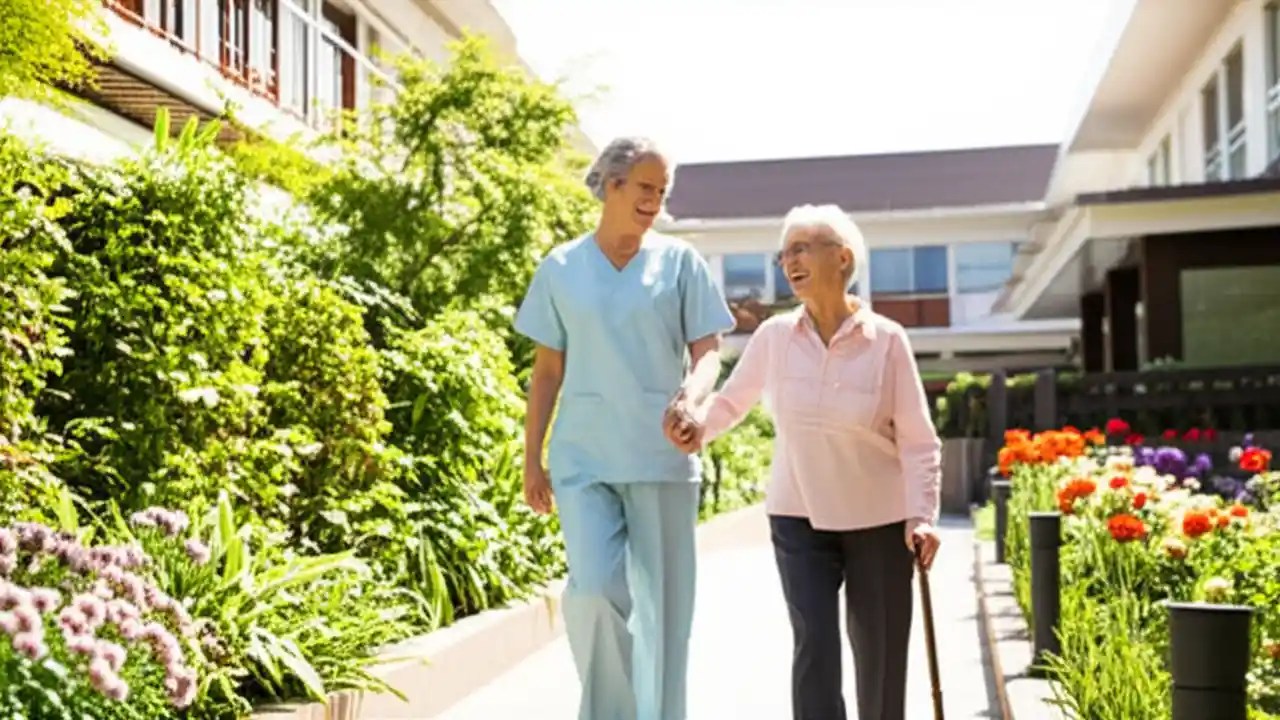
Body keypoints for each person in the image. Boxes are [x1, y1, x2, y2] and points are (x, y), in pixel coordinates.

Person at [682, 203, 942, 720]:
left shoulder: (887, 340)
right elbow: (733, 401)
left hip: (878, 517)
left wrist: (922, 516)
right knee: (815, 649)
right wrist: (696, 426)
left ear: (842, 258)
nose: (789, 262)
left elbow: (918, 441)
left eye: (802, 249)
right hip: (798, 514)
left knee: (880, 654)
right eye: (784, 254)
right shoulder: (775, 336)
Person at [514, 136, 736, 720]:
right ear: (612, 185)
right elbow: (547, 371)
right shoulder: (561, 267)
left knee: (664, 613)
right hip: (583, 459)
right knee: (592, 591)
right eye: (645, 188)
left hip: (660, 456)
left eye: (662, 192)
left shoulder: (680, 263)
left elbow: (709, 350)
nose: (654, 201)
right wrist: (532, 458)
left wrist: (692, 398)